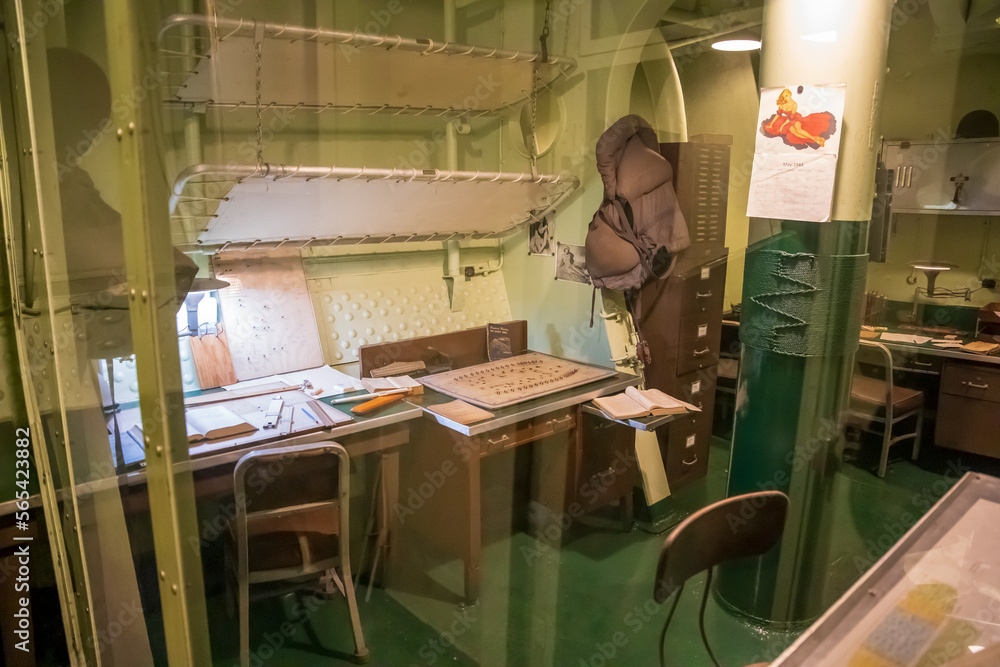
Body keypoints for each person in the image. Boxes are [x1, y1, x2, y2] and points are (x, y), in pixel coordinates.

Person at [760, 88, 835, 148]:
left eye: (787, 96)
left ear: (790, 95)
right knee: (796, 134)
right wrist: (771, 124)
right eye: (784, 96)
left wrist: (782, 126)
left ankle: (817, 140)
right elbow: (778, 115)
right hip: (787, 121)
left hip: (795, 119)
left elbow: (791, 118)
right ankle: (815, 139)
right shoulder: (782, 105)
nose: (786, 98)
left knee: (798, 130)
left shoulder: (794, 104)